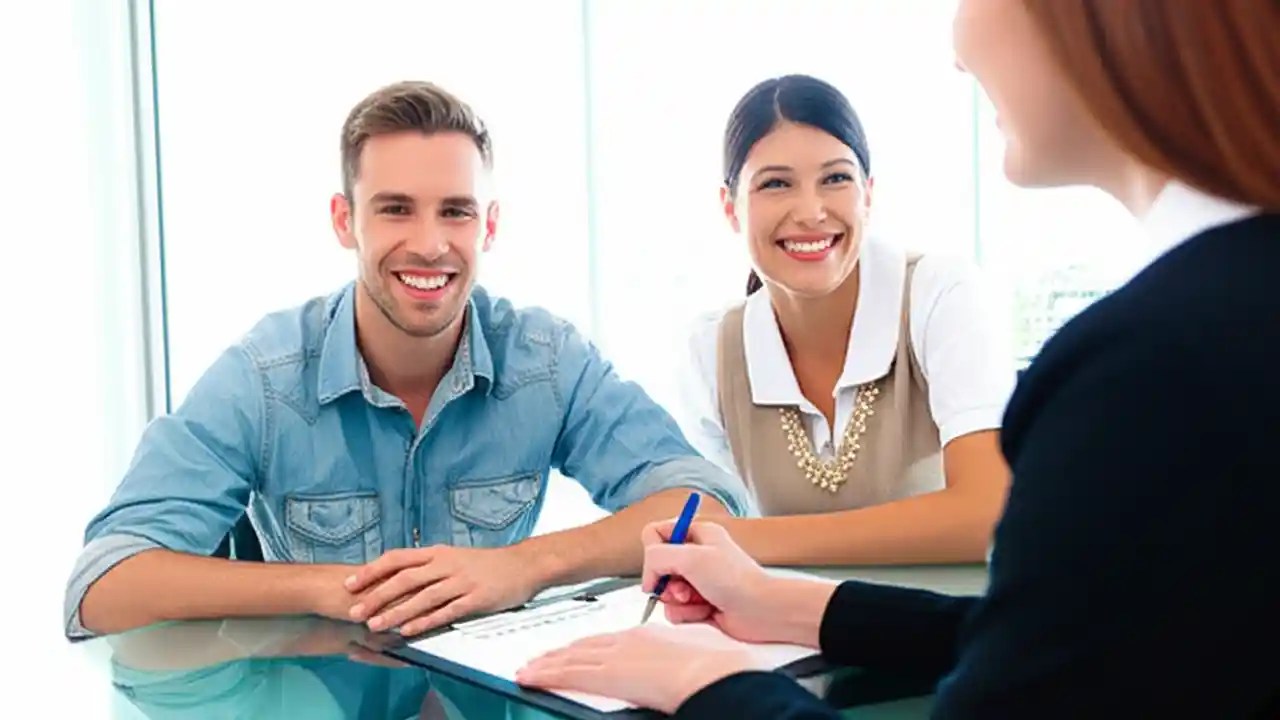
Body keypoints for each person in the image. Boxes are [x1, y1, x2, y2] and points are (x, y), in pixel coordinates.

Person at [516, 0, 1280, 717]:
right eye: (775, 183)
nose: (957, 51)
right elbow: (1099, 635)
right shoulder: (1219, 320)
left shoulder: (1146, 366)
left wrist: (708, 683)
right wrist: (793, 603)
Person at [64, 80, 748, 641]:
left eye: (455, 212)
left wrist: (523, 566)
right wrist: (330, 590)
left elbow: (709, 507)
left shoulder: (545, 360)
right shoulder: (263, 378)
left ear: (489, 225)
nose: (430, 244)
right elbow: (103, 585)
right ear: (344, 220)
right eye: (396, 210)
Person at [678, 74, 1015, 565]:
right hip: (790, 635)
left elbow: (989, 512)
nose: (811, 212)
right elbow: (712, 537)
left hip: (957, 631)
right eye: (776, 184)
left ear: (868, 194)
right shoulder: (713, 349)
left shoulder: (939, 294)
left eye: (835, 178)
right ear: (731, 208)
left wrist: (748, 542)